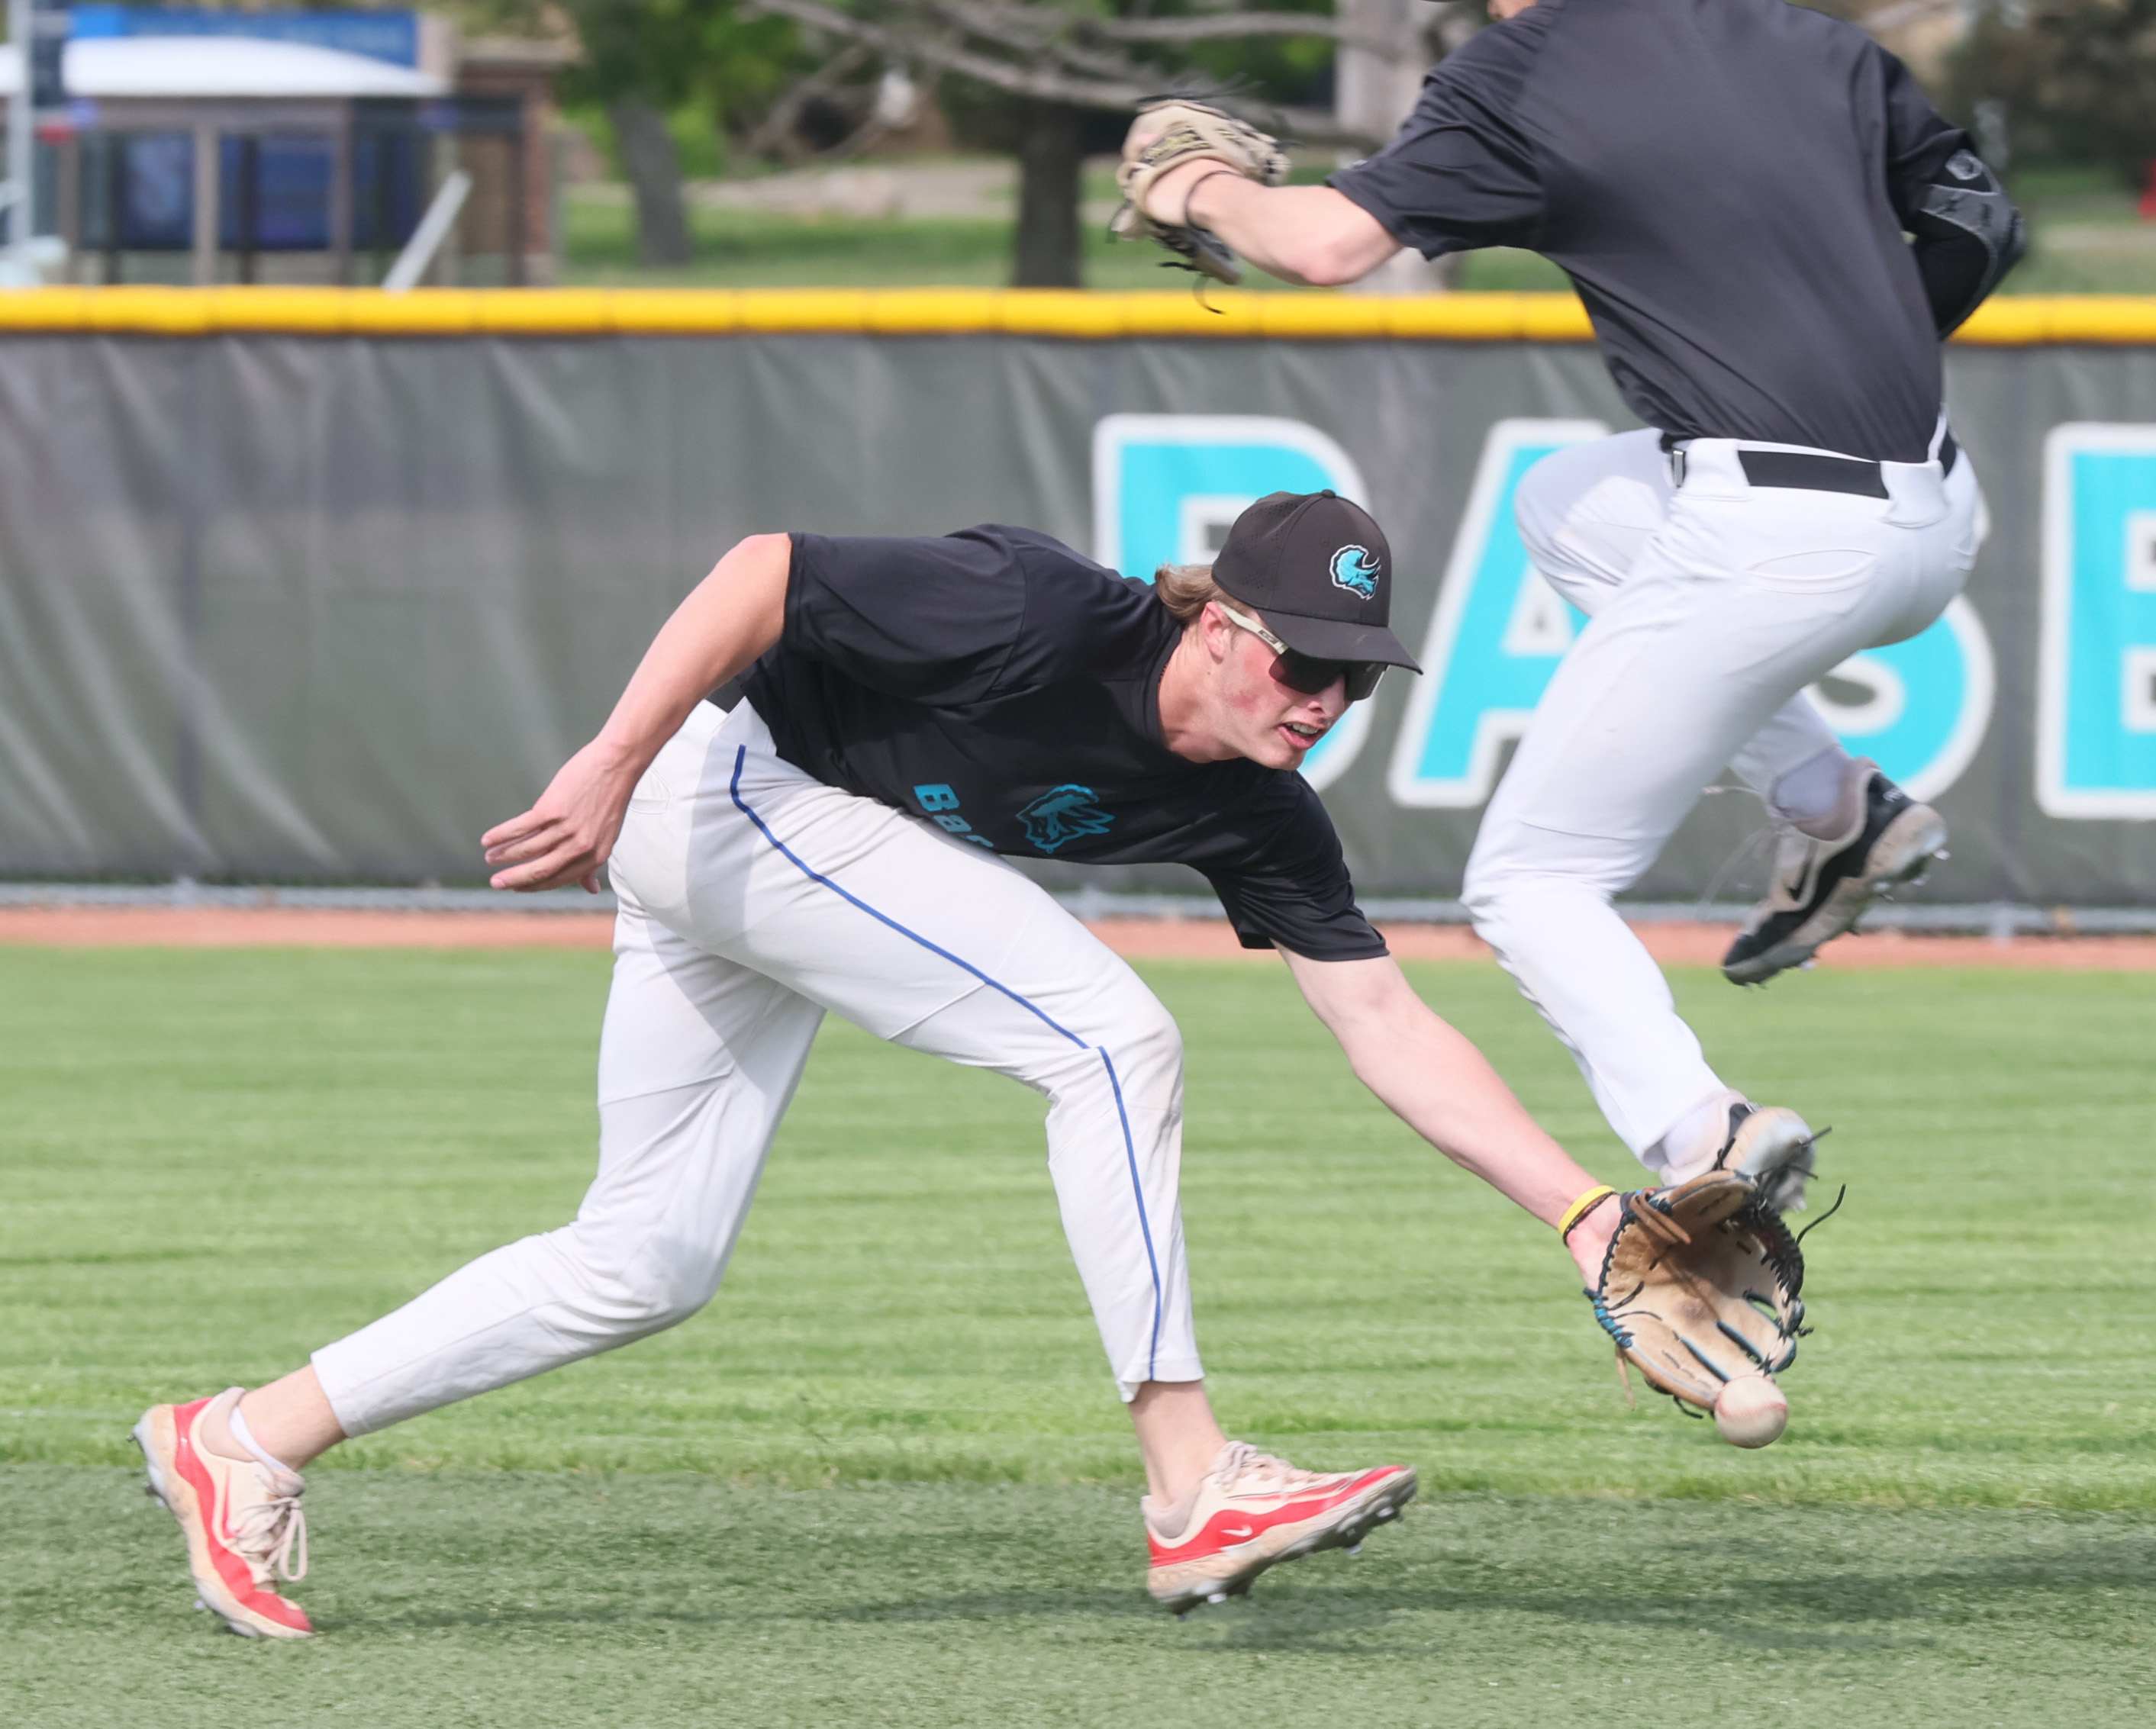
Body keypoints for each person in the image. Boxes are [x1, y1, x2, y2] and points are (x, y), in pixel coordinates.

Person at [137, 491, 1632, 1637]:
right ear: (1222, 626)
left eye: (1355, 678)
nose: (1323, 699)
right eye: (1306, 659)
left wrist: (1582, 1213)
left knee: (648, 1256)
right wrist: (608, 758)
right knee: (1112, 1039)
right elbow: (763, 569)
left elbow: (1385, 1024)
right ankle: (1191, 1479)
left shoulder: (1262, 812)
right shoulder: (1043, 611)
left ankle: (242, 1435)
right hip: (725, 786)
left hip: (760, 848)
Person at [1119, 0, 2022, 1201]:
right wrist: (1849, 361)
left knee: (1528, 882)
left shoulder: (1530, 66)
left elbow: (1326, 244)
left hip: (1774, 533)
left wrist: (1191, 184)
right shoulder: (1800, 36)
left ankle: (1701, 1127)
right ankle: (1835, 804)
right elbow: (1977, 221)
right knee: (1565, 503)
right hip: (1936, 504)